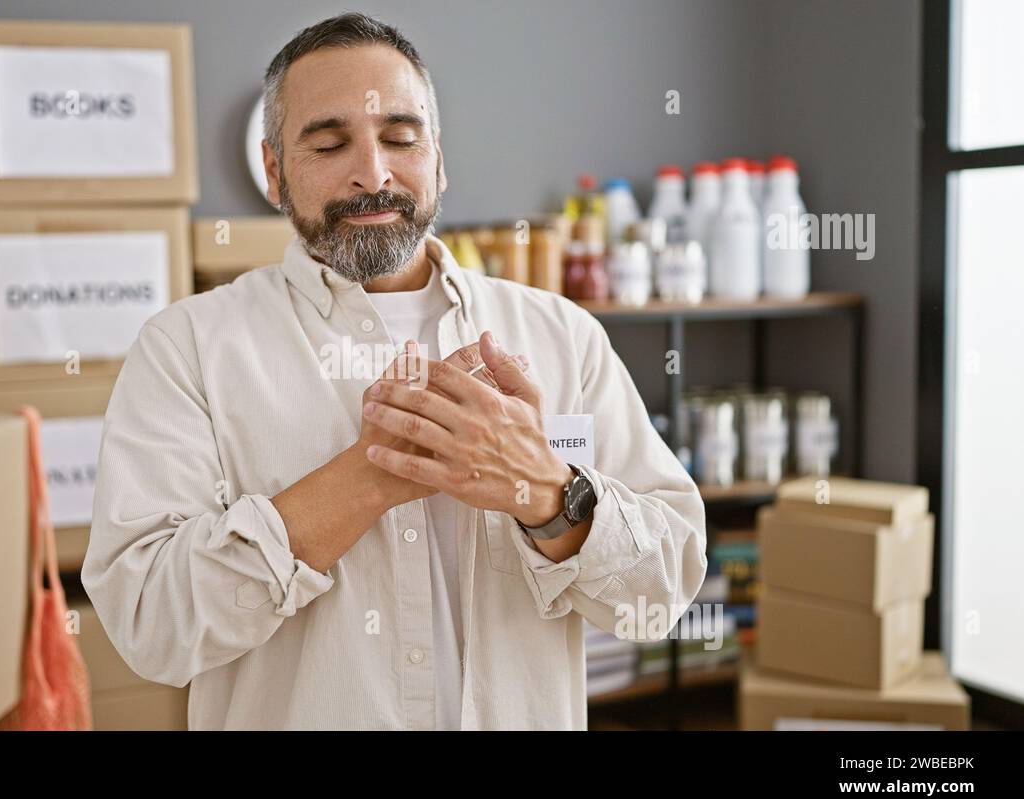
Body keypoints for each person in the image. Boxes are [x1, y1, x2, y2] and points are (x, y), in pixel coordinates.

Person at [82, 12, 707, 730]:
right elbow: (148, 624)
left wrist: (544, 490)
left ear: (438, 159)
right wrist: (370, 476)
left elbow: (661, 595)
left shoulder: (564, 336)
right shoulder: (186, 349)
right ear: (275, 170)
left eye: (401, 139)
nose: (373, 172)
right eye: (329, 142)